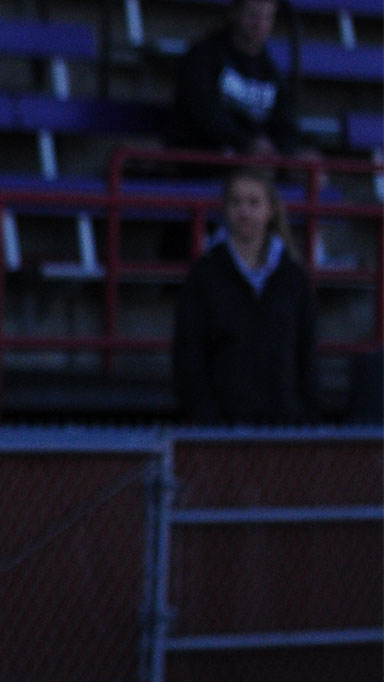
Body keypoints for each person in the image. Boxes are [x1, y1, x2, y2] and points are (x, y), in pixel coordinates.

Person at [173, 167, 318, 423]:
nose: (244, 212)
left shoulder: (294, 278)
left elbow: (306, 353)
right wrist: (204, 415)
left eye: (254, 203)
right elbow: (188, 353)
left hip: (284, 423)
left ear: (270, 210)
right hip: (220, 426)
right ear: (225, 209)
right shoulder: (204, 275)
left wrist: (306, 416)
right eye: (236, 202)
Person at [169, 0, 300, 159]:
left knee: (309, 165)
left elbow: (285, 122)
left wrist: (287, 150)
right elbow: (203, 114)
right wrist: (246, 143)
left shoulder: (271, 70)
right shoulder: (203, 57)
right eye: (253, 15)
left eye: (267, 17)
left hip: (256, 160)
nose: (259, 24)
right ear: (234, 14)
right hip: (208, 158)